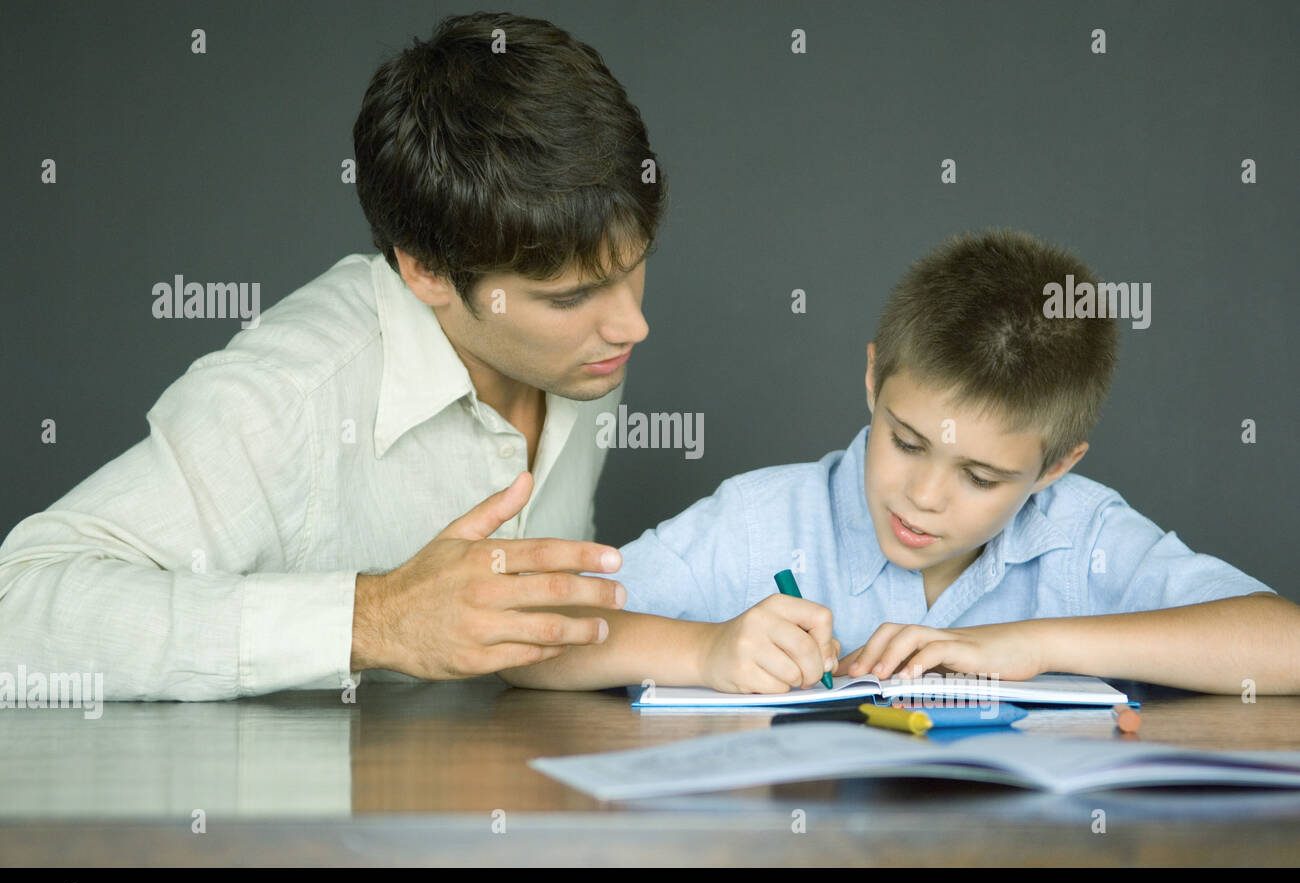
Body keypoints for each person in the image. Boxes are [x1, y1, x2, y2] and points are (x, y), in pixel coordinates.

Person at [0, 12, 664, 700]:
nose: (631, 325)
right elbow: (15, 608)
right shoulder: (287, 399)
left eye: (635, 266)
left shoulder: (587, 356)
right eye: (568, 297)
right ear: (427, 272)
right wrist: (374, 618)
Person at [499, 228, 1300, 696]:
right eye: (906, 441)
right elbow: (532, 643)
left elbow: (1284, 645)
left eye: (981, 477)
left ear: (1054, 467)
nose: (921, 496)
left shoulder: (1082, 534)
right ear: (874, 377)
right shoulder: (760, 519)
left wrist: (1041, 643)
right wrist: (704, 651)